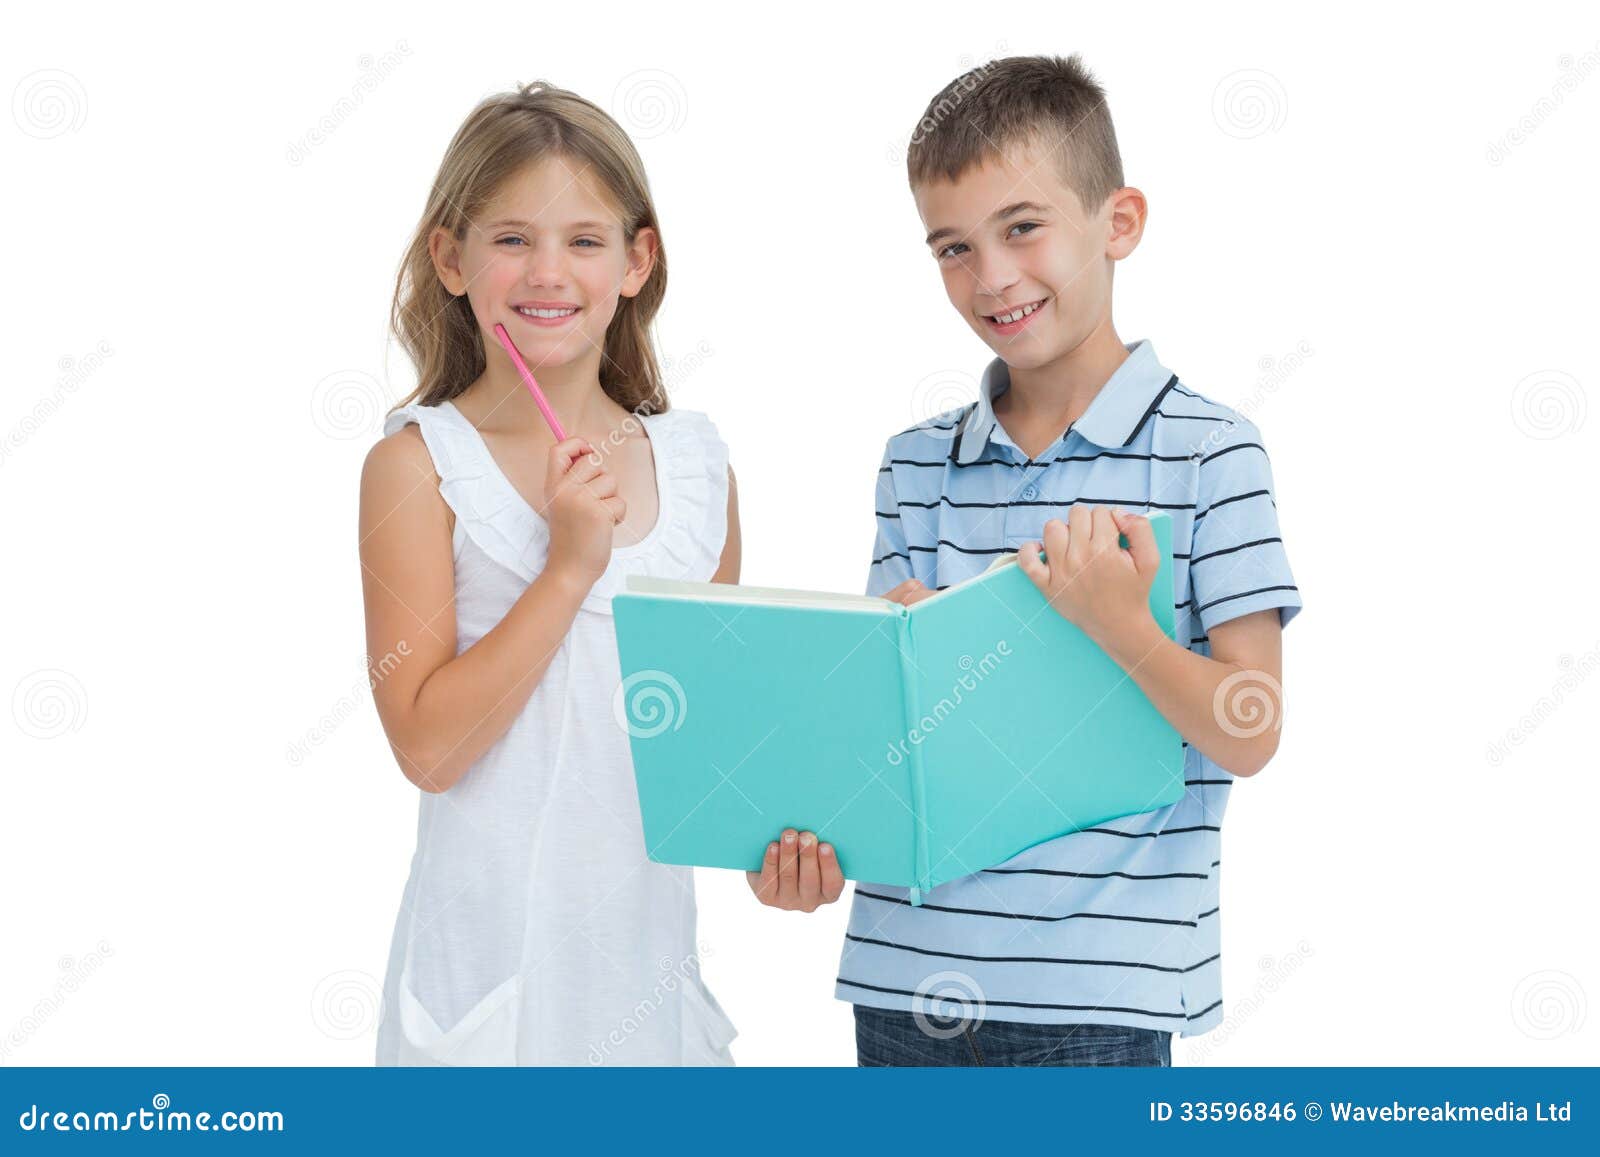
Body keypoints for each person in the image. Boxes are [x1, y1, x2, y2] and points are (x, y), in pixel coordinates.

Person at [359, 81, 739, 1066]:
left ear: (635, 260)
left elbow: (710, 756)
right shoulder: (416, 466)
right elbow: (429, 749)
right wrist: (567, 568)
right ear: (451, 257)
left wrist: (807, 830)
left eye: (582, 239)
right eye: (511, 238)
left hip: (644, 991)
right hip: (480, 988)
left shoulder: (696, 471)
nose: (548, 272)